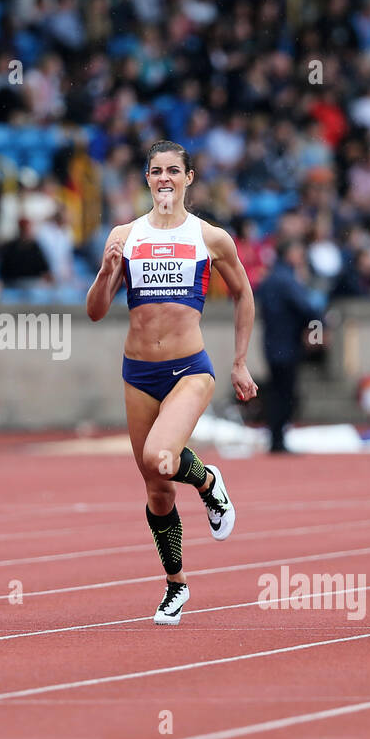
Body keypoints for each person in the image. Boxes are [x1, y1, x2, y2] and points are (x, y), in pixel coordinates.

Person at [86, 140, 258, 625]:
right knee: (156, 488)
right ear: (146, 178)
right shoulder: (125, 234)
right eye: (156, 170)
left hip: (190, 370)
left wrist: (239, 362)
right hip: (138, 373)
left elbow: (244, 295)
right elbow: (96, 312)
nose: (165, 178)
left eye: (173, 171)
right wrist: (106, 273)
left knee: (159, 457)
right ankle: (175, 585)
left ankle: (208, 482)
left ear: (188, 178)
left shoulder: (210, 237)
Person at [257, 238, 326, 453]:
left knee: (277, 391)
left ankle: (275, 437)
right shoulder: (288, 280)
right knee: (285, 393)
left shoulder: (269, 279)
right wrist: (320, 324)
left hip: (271, 341)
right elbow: (307, 309)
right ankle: (278, 440)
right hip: (286, 343)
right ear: (288, 254)